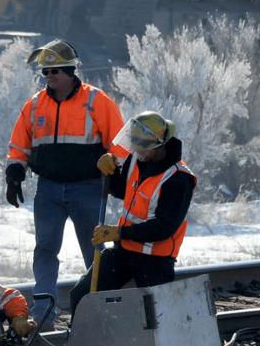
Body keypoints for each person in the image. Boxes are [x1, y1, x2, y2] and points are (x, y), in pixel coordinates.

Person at [6, 39, 125, 328]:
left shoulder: (97, 101)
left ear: (70, 71)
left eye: (55, 71)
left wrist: (115, 167)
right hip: (48, 188)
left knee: (93, 248)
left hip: (88, 188)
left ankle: (97, 308)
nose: (49, 77)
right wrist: (14, 172)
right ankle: (44, 308)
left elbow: (120, 143)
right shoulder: (34, 105)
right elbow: (19, 144)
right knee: (45, 247)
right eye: (45, 72)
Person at [70, 111, 197, 310]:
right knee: (83, 295)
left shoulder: (178, 178)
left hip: (155, 260)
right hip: (125, 250)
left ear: (159, 144)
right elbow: (122, 189)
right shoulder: (136, 160)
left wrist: (120, 232)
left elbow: (164, 227)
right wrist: (108, 169)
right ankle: (87, 337)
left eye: (143, 146)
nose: (138, 151)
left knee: (155, 315)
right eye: (135, 144)